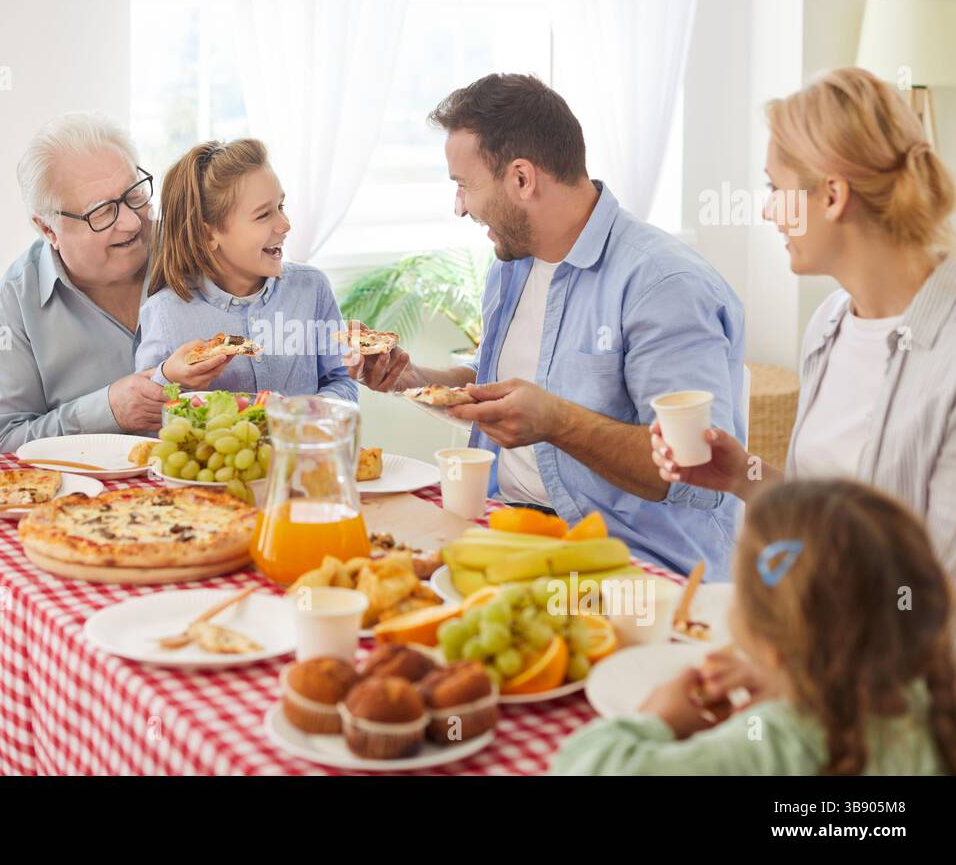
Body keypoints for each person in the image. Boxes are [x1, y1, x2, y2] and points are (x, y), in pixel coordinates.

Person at [348, 74, 745, 578]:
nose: (459, 207)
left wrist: (557, 423)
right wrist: (414, 380)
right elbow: (507, 386)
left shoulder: (662, 285)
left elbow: (694, 471)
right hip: (509, 532)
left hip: (631, 566)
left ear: (521, 178)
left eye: (464, 186)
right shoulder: (513, 263)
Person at [651, 67, 956, 577]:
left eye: (776, 188)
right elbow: (821, 512)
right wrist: (740, 474)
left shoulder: (945, 356)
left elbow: (937, 594)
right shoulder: (830, 326)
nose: (769, 211)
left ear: (833, 196)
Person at [550, 478, 955, 774]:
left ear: (771, 643)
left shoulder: (767, 745)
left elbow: (581, 766)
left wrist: (657, 720)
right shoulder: (930, 700)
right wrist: (782, 679)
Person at [0, 112, 201, 451]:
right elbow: (0, 441)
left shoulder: (196, 251)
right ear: (49, 229)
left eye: (134, 195)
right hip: (81, 498)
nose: (130, 223)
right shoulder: (14, 304)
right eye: (101, 212)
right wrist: (107, 411)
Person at [135, 139, 358, 403]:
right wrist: (168, 377)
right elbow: (150, 415)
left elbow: (342, 381)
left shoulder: (312, 289)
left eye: (281, 207)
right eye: (263, 215)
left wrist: (299, 414)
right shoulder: (164, 313)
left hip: (298, 443)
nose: (285, 225)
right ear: (208, 234)